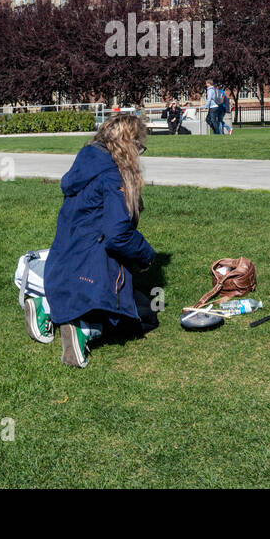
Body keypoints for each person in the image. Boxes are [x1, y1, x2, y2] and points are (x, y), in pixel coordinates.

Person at [29, 113, 158, 368]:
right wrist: (147, 255)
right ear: (127, 144)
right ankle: (84, 329)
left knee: (141, 301)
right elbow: (117, 236)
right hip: (91, 272)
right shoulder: (113, 175)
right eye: (139, 146)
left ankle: (47, 307)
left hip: (60, 268)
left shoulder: (84, 164)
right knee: (145, 316)